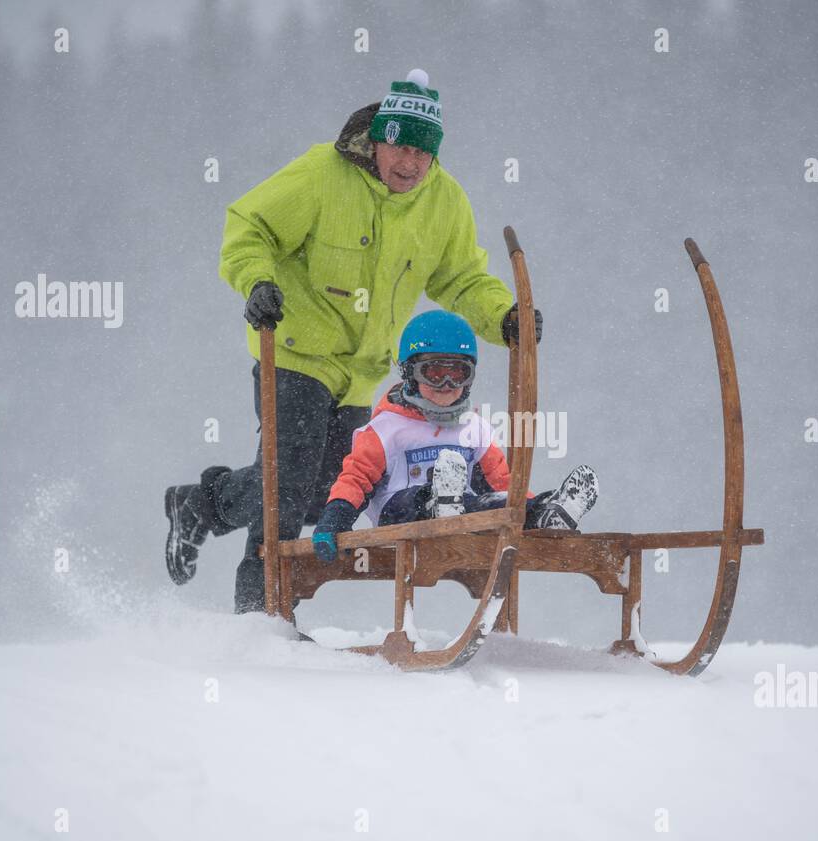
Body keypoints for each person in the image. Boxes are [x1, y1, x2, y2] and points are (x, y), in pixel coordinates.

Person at [163, 68, 543, 616]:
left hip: (361, 371)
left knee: (335, 492)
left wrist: (505, 318)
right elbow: (250, 226)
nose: (411, 164)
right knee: (287, 479)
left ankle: (202, 505)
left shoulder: (445, 202)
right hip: (296, 349)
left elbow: (459, 277)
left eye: (424, 153)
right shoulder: (322, 173)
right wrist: (258, 281)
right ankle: (260, 607)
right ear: (379, 139)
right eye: (402, 147)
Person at [310, 310, 599, 562]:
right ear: (410, 373)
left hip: (465, 513)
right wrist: (335, 518)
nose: (447, 384)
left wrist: (522, 504)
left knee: (494, 505)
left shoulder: (474, 429)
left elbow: (503, 483)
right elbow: (356, 479)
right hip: (399, 515)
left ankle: (547, 513)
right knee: (417, 500)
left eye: (458, 374)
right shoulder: (386, 429)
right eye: (434, 373)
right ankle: (437, 503)